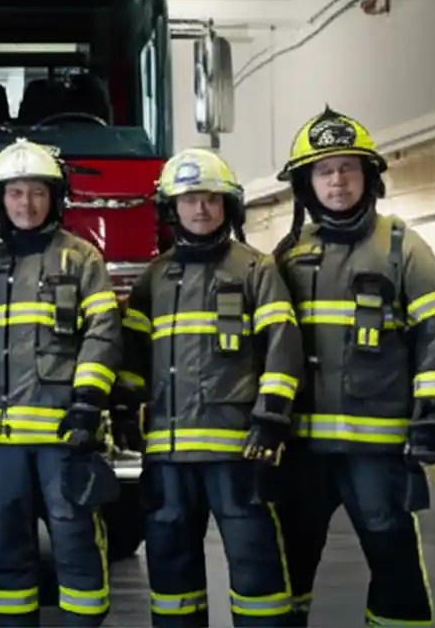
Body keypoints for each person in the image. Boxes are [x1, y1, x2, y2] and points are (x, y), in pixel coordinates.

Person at [273, 108, 435, 627]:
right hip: (301, 452)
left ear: (369, 177)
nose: (337, 181)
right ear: (307, 184)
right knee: (286, 571)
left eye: (347, 169)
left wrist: (433, 419)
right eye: (324, 170)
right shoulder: (288, 254)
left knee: (395, 566)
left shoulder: (403, 245)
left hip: (377, 453)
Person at [119, 147, 303, 627]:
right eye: (189, 200)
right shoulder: (153, 278)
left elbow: (282, 347)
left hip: (238, 454)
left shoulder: (255, 270)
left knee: (256, 568)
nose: (201, 209)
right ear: (172, 209)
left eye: (211, 199)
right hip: (168, 458)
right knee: (171, 574)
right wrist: (125, 408)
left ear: (229, 206)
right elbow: (133, 356)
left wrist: (270, 418)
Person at [0, 139, 122, 626]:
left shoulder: (82, 260)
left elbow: (104, 332)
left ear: (54, 198)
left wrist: (87, 403)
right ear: (1, 201)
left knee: (76, 543)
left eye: (36, 192)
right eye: (15, 193)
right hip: (1, 441)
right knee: (5, 548)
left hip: (64, 437)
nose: (26, 204)